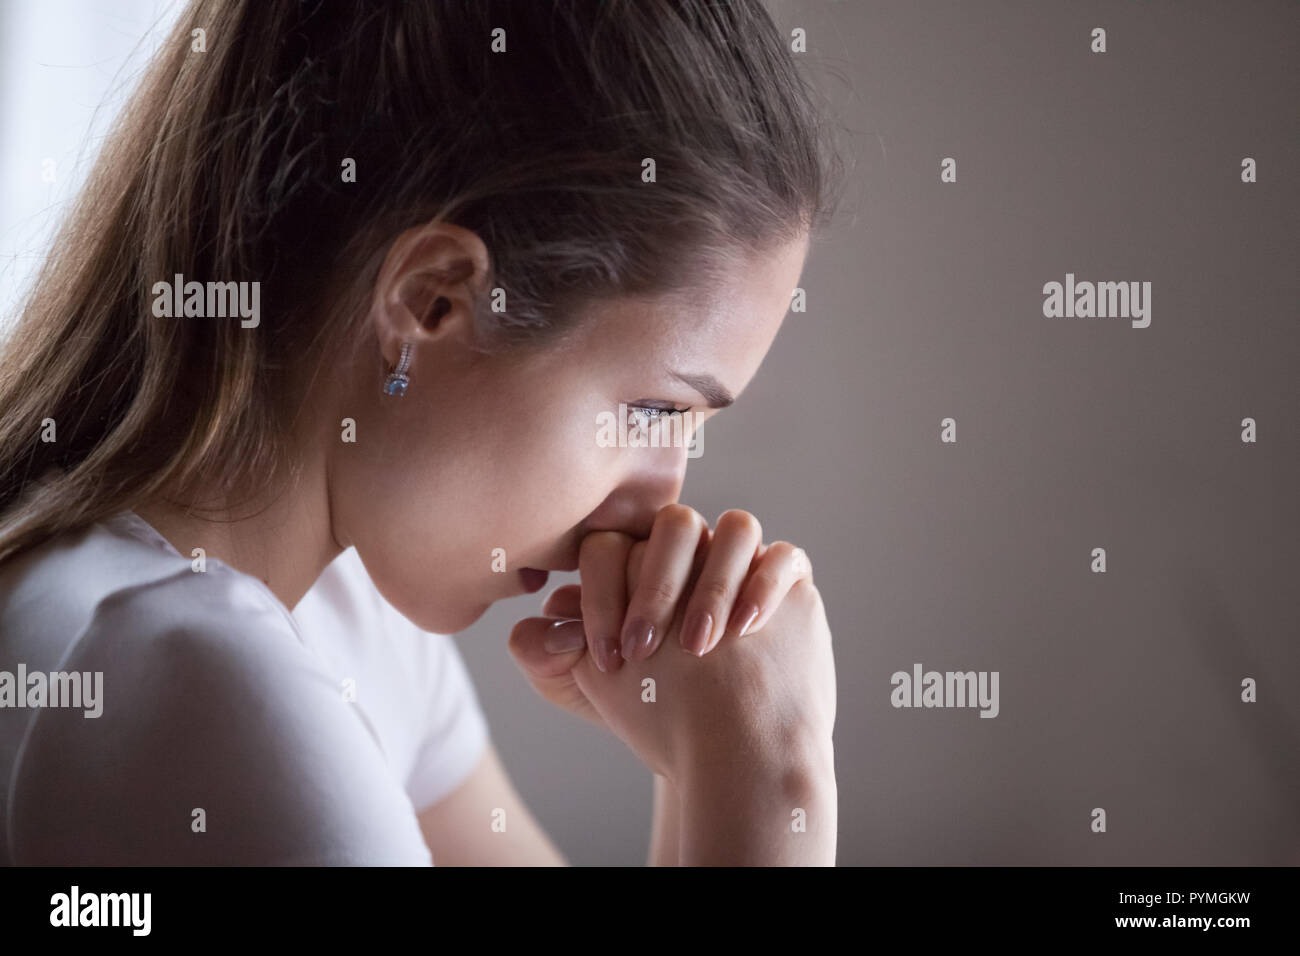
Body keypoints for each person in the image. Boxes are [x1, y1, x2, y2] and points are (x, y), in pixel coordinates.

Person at [0, 0, 844, 865]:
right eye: (655, 411)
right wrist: (772, 781)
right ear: (429, 302)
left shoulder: (345, 623)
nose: (655, 508)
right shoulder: (205, 686)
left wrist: (694, 750)